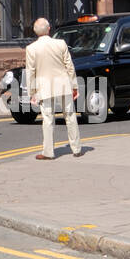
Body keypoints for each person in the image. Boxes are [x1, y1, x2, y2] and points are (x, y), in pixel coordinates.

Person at [24, 17, 82, 160]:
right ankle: (76, 149)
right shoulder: (61, 43)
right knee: (70, 116)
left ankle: (48, 152)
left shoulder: (31, 48)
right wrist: (74, 85)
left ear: (35, 32)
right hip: (63, 84)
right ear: (49, 29)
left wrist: (32, 92)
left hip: (44, 87)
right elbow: (69, 66)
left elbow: (30, 72)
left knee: (48, 119)